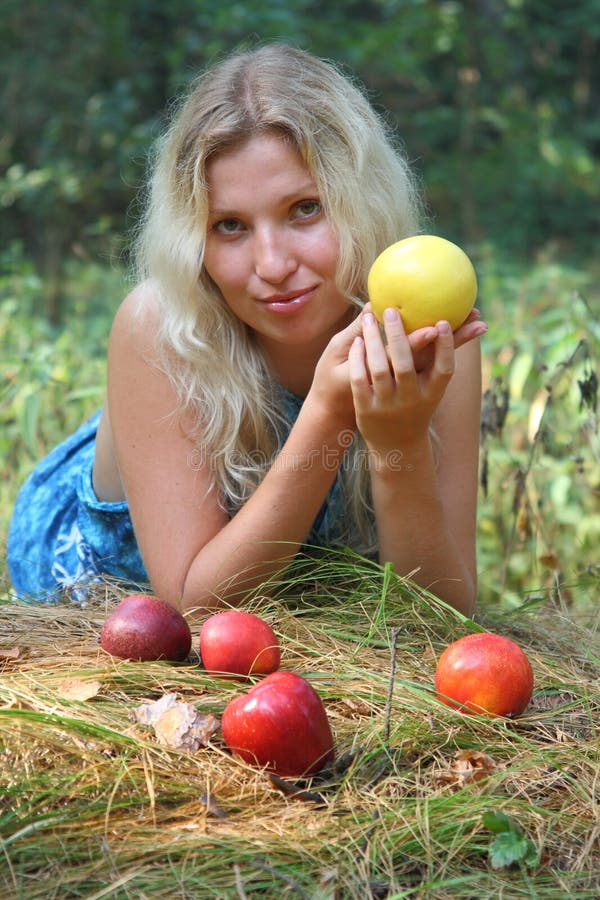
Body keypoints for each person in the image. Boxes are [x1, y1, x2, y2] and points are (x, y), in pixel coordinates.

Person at [7, 44, 486, 615]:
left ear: (361, 202)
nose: (272, 264)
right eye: (229, 225)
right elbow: (193, 608)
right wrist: (330, 415)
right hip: (118, 576)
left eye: (305, 208)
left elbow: (440, 615)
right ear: (193, 239)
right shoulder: (161, 326)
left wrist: (399, 442)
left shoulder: (427, 333)